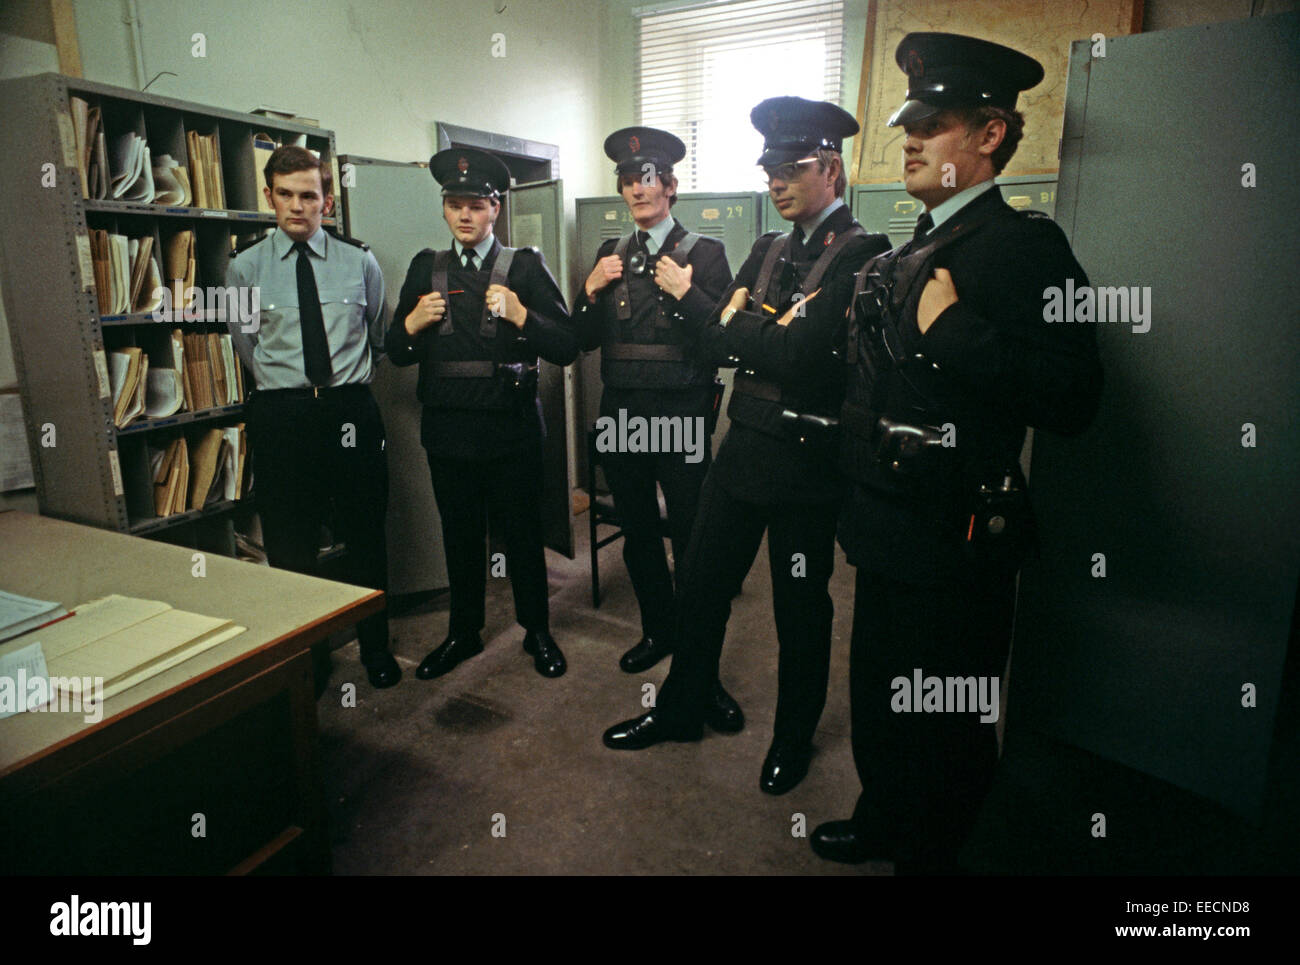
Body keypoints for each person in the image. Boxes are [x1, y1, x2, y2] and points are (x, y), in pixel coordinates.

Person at [812, 32, 1104, 872]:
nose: (911, 138)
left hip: (958, 543)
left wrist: (958, 332)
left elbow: (1075, 400)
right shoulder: (909, 252)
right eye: (911, 121)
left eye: (935, 124)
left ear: (989, 135)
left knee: (944, 723)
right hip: (886, 528)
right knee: (880, 700)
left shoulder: (1025, 251)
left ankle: (929, 854)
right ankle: (883, 817)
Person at [603, 98, 891, 795]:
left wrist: (741, 323)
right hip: (742, 450)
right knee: (701, 587)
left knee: (799, 605)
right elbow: (718, 339)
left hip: (805, 466)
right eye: (769, 169)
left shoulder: (863, 254)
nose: (776, 182)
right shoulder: (766, 250)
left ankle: (791, 739)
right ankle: (680, 708)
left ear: (831, 167)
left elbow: (796, 352)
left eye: (791, 169)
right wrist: (750, 325)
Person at [386, 149, 577, 680]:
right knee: (460, 535)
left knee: (522, 533)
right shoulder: (427, 268)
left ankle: (536, 630)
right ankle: (463, 633)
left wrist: (522, 315)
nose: (464, 215)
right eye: (454, 204)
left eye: (475, 204)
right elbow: (395, 352)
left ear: (495, 207)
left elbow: (566, 345)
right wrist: (412, 325)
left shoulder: (525, 265)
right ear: (444, 210)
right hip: (448, 431)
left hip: (510, 429)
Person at [574, 127, 738, 731]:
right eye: (629, 180)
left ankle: (704, 670)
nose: (639, 188)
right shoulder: (609, 254)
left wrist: (690, 291)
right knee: (640, 530)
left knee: (694, 541)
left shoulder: (707, 252)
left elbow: (722, 340)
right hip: (622, 413)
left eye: (650, 178)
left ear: (670, 187)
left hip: (682, 413)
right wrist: (589, 292)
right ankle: (658, 632)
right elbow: (579, 341)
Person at [227, 145, 398, 689]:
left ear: (327, 200)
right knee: (290, 543)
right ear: (269, 196)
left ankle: (376, 649)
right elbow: (247, 346)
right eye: (286, 195)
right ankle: (311, 657)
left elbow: (378, 337)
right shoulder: (243, 268)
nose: (298, 206)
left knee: (366, 534)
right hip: (283, 416)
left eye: (310, 195)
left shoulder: (360, 261)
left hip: (349, 410)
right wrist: (292, 390)